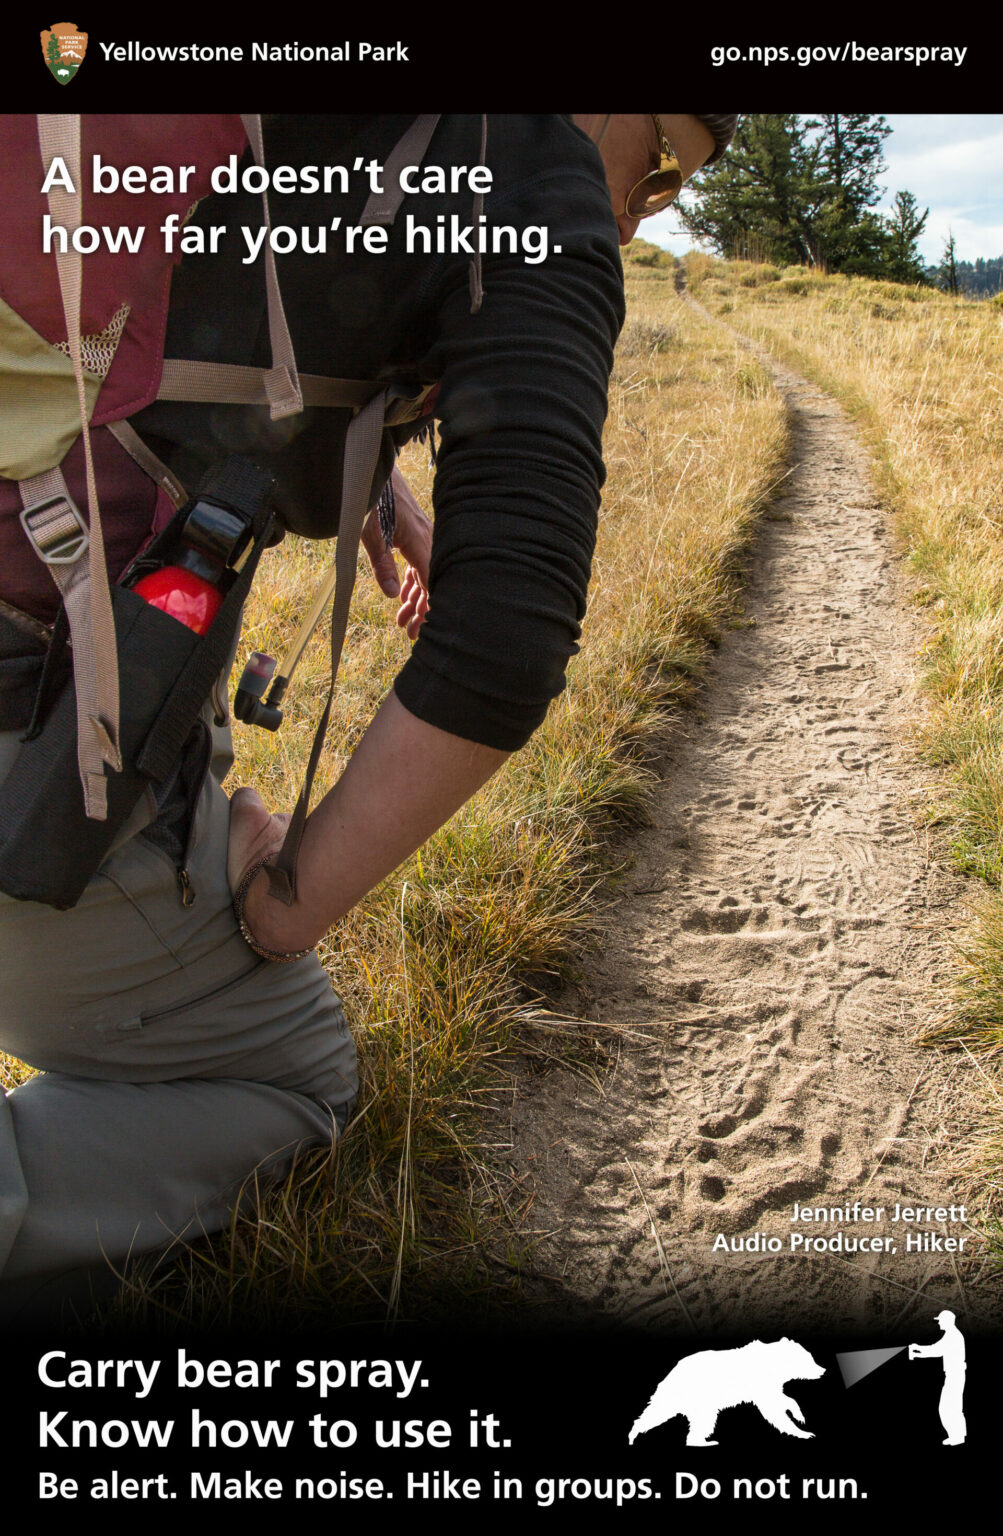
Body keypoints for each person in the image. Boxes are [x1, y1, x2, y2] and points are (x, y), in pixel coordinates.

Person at [0, 113, 731, 1320]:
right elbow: (506, 640)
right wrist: (291, 903)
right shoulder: (529, 154)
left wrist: (368, 475)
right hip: (39, 759)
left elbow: (161, 319)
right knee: (293, 1084)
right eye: (657, 160)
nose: (641, 208)